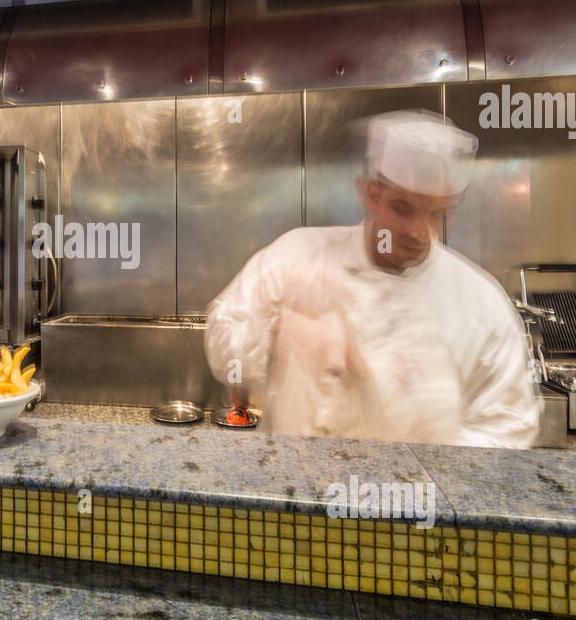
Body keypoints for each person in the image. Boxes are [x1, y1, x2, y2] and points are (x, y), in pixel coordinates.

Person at [204, 110, 539, 448]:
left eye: (436, 214)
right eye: (403, 208)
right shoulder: (296, 255)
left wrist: (433, 452)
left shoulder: (480, 302)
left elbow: (510, 424)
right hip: (293, 489)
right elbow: (223, 340)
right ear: (370, 194)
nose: (416, 231)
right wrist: (274, 338)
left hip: (415, 497)